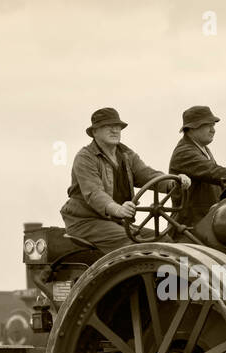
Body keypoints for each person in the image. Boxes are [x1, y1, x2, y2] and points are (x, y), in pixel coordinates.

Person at [61, 108, 189, 253]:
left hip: (116, 221)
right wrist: (118, 209)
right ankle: (143, 274)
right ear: (95, 132)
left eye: (118, 127)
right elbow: (94, 193)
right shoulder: (85, 157)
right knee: (136, 246)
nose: (115, 130)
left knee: (165, 242)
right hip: (85, 222)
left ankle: (170, 276)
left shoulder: (126, 155)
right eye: (107, 126)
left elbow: (147, 175)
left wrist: (175, 183)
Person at [168, 106, 226, 227]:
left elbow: (209, 178)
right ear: (192, 127)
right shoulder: (184, 152)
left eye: (214, 126)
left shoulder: (202, 149)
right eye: (208, 125)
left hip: (205, 222)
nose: (213, 130)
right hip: (190, 228)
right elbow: (214, 172)